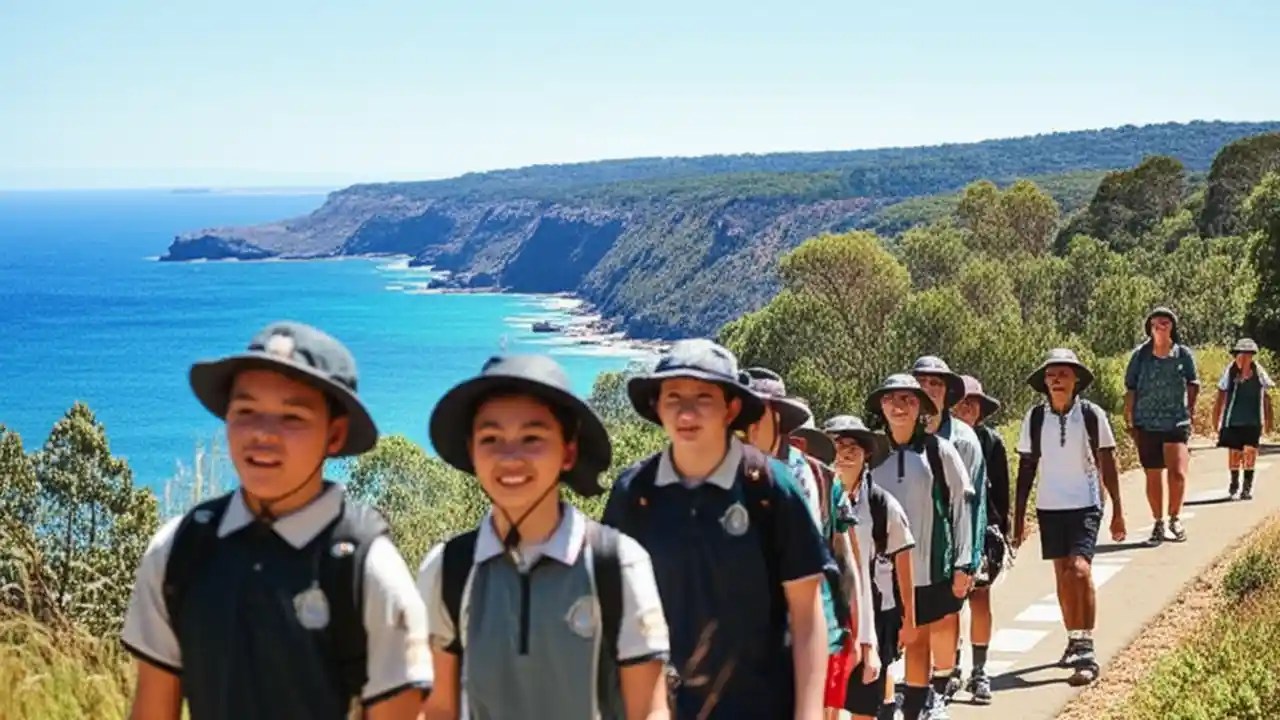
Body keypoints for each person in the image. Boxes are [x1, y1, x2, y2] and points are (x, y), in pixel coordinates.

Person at [121, 321, 431, 720]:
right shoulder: (179, 550)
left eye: (293, 417)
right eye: (246, 411)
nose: (263, 435)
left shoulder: (365, 567)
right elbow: (153, 708)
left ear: (334, 436)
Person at [416, 355, 670, 720]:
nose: (510, 457)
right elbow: (439, 708)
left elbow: (650, 710)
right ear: (471, 452)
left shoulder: (616, 564)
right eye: (490, 438)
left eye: (532, 438)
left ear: (568, 452)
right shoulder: (448, 570)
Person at [602, 339, 832, 719]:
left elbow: (807, 615)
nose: (686, 411)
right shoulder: (635, 493)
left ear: (732, 407)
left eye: (703, 396)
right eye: (673, 396)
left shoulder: (770, 489)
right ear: (657, 406)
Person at [1013, 348, 1126, 687]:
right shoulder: (1034, 419)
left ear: (1076, 380)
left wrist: (1118, 510)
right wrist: (1017, 519)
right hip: (1050, 506)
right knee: (1063, 576)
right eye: (1051, 374)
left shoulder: (1091, 415)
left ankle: (1087, 650)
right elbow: (1026, 468)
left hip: (1085, 503)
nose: (1057, 379)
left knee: (1079, 569)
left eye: (1064, 373)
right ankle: (1073, 639)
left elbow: (1108, 461)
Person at [865, 374, 973, 720]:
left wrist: (964, 562)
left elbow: (962, 503)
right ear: (881, 406)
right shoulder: (869, 454)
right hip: (876, 572)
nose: (899, 406)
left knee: (917, 641)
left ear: (921, 407)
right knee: (880, 644)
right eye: (891, 399)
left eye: (908, 400)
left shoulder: (937, 451)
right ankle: (883, 707)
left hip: (925, 565)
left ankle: (915, 707)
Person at [823, 415, 917, 720]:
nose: (846, 452)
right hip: (831, 610)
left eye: (854, 446)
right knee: (829, 700)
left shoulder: (881, 503)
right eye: (838, 444)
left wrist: (909, 619)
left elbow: (902, 557)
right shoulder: (817, 497)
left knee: (864, 703)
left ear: (867, 455)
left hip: (876, 609)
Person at [909, 356, 986, 703]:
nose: (928, 390)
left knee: (943, 620)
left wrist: (966, 561)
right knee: (914, 629)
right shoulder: (898, 437)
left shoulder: (964, 441)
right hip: (908, 551)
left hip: (950, 548)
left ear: (946, 393)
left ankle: (939, 687)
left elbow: (972, 504)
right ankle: (922, 691)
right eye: (921, 383)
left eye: (935, 384)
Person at [948, 375, 1010, 705]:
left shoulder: (991, 442)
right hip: (949, 532)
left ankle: (980, 669)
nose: (966, 408)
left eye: (973, 403)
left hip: (984, 532)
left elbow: (1001, 493)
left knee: (980, 598)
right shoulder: (942, 439)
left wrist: (1002, 533)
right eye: (961, 402)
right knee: (950, 603)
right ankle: (950, 667)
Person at [1124, 307, 1199, 545]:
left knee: (1177, 473)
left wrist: (1190, 411)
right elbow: (1131, 388)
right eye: (1156, 323)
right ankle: (1158, 523)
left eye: (1165, 322)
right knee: (1153, 474)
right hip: (1146, 422)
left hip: (1176, 421)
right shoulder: (1140, 356)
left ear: (1172, 327)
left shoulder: (1183, 354)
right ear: (1150, 327)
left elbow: (1193, 383)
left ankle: (1175, 518)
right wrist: (1130, 419)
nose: (1160, 326)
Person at [1212, 338, 1274, 500]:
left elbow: (1267, 395)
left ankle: (1247, 487)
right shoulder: (1230, 371)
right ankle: (1234, 483)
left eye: (1248, 354)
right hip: (1233, 420)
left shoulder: (1258, 371)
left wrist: (1269, 420)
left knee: (1250, 452)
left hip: (1253, 419)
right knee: (1234, 453)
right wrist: (1216, 418)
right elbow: (1221, 394)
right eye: (1241, 354)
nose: (1244, 358)